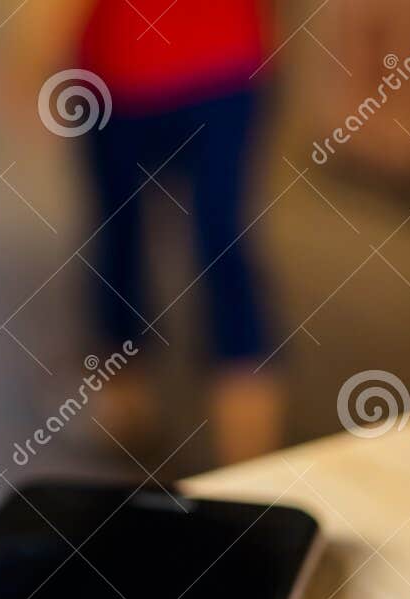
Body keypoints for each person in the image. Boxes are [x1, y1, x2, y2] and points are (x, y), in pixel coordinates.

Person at [23, 0, 286, 466]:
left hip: (131, 69)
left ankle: (129, 411)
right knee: (218, 239)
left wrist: (32, 55)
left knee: (123, 236)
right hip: (219, 63)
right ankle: (248, 444)